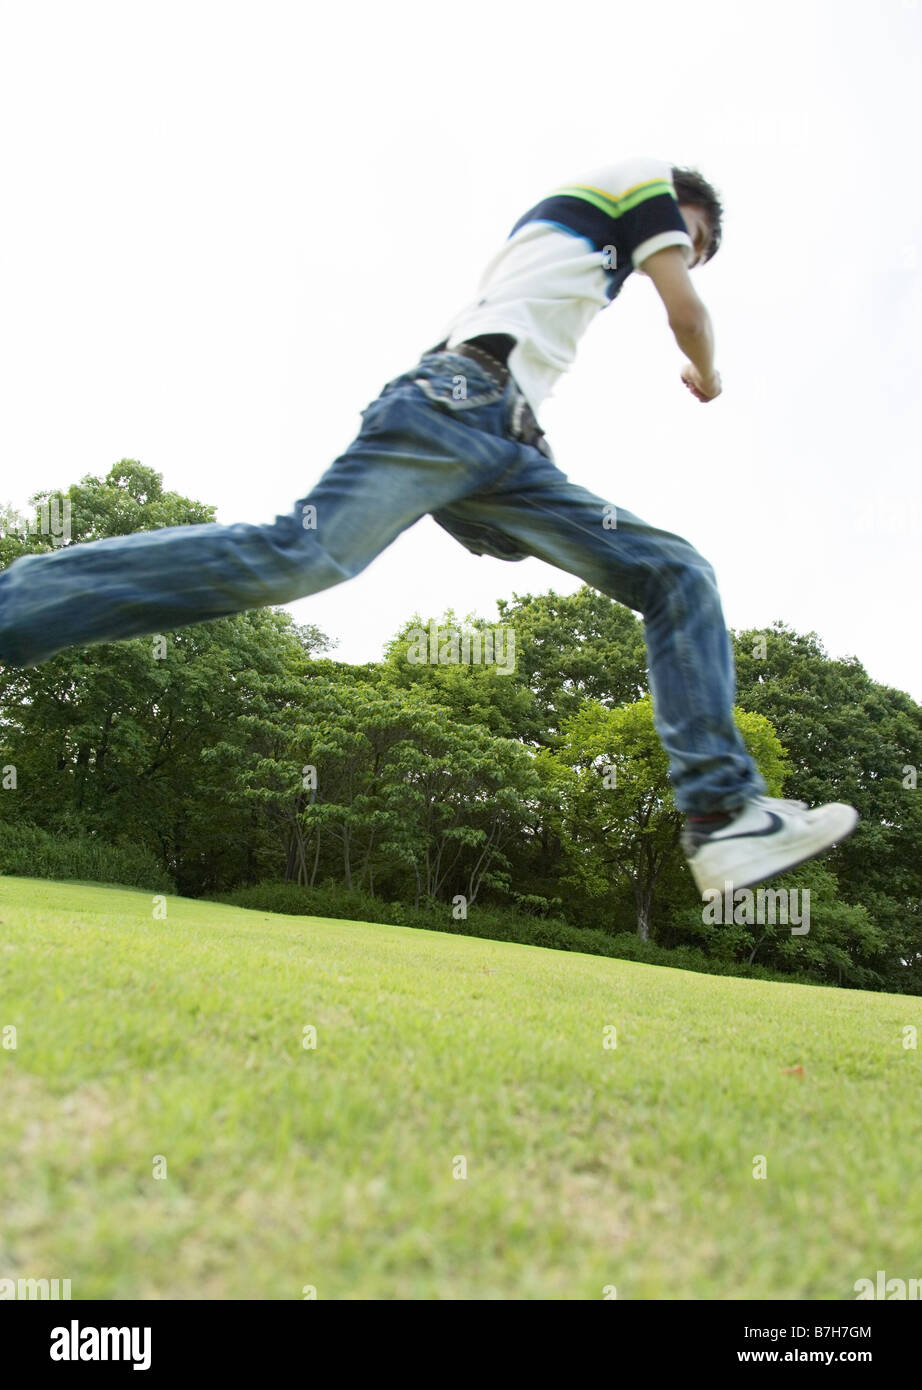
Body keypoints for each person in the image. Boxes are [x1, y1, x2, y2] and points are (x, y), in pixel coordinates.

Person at [0, 156, 857, 895]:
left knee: (676, 572)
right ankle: (15, 607)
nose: (678, 258)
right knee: (296, 556)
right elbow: (687, 315)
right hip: (456, 405)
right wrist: (707, 371)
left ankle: (720, 816)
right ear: (675, 206)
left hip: (503, 443)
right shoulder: (636, 181)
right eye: (689, 241)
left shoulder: (563, 261)